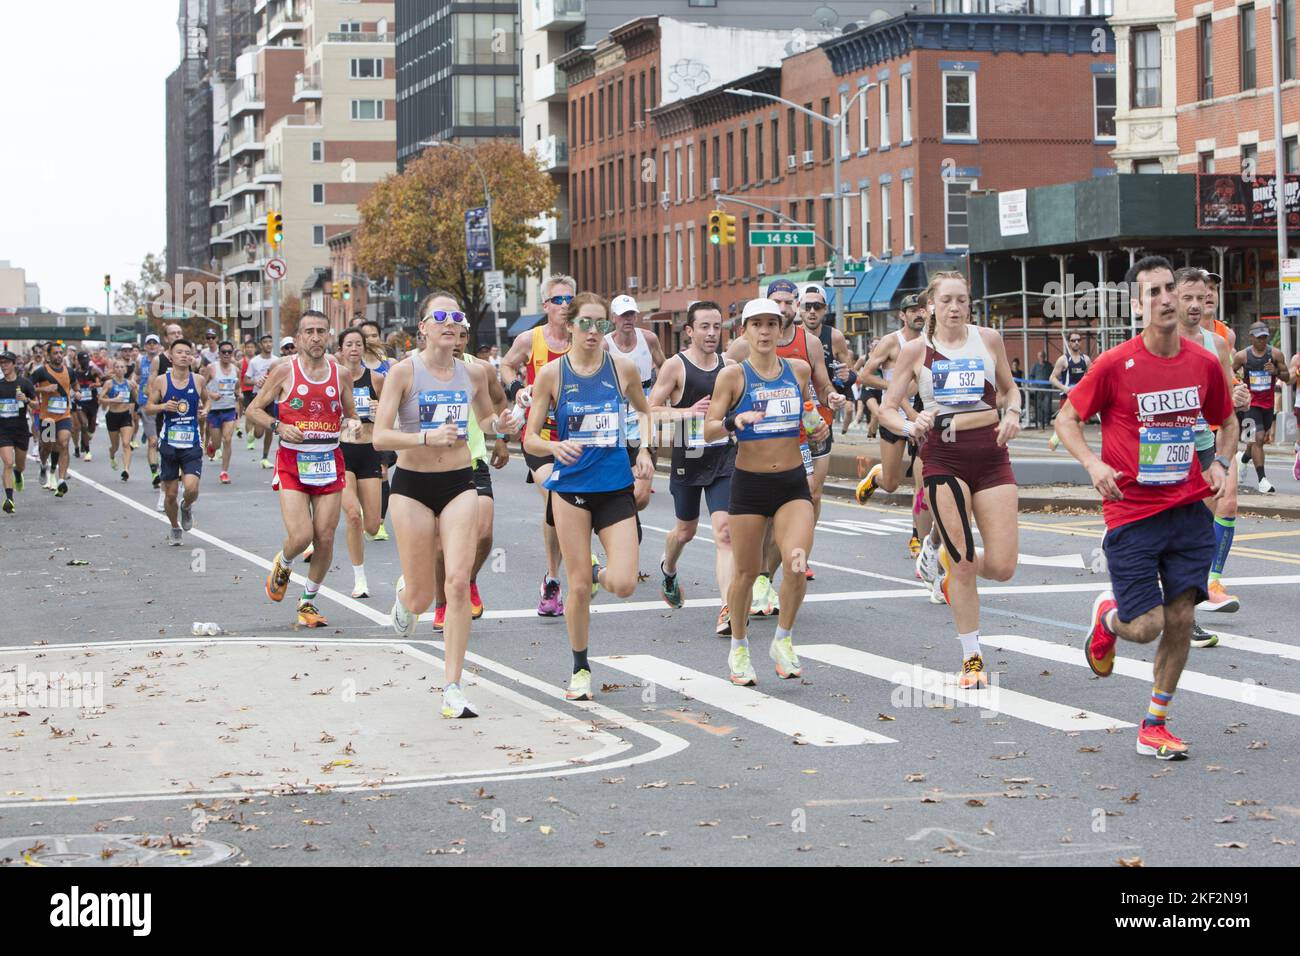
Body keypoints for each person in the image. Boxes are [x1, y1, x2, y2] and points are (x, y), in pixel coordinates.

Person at [1057, 256, 1235, 761]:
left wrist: (1220, 462)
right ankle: (1110, 618)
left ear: (1179, 299)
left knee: (1181, 617)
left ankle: (1154, 722)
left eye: (1168, 291)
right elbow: (1068, 419)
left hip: (1187, 510)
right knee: (1146, 626)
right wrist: (1093, 465)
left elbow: (1227, 421)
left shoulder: (1203, 364)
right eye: (1152, 293)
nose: (1163, 300)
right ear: (1138, 305)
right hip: (1131, 512)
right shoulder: (1115, 364)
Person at [373, 293, 520, 718]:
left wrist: (502, 426)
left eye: (457, 317)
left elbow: (489, 419)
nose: (450, 323)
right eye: (440, 317)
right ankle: (406, 597)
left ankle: (452, 687)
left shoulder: (474, 373)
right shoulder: (404, 373)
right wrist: (424, 437)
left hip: (460, 482)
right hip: (412, 486)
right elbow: (381, 436)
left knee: (456, 583)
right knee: (421, 597)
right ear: (423, 326)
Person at [877, 271, 1022, 688]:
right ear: (931, 307)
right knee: (963, 562)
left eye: (962, 300)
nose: (955, 308)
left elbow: (1011, 391)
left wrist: (1012, 413)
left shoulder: (989, 339)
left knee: (1002, 566)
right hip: (942, 458)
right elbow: (887, 408)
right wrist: (910, 424)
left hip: (992, 457)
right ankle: (971, 657)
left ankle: (944, 565)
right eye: (947, 301)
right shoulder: (917, 350)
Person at [523, 292, 650, 702]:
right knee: (576, 589)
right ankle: (580, 667)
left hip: (614, 487)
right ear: (570, 324)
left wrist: (644, 450)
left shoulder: (623, 369)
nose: (594, 332)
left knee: (625, 582)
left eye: (602, 324)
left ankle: (595, 574)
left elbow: (644, 413)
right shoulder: (553, 375)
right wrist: (553, 448)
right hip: (571, 490)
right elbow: (529, 437)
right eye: (586, 323)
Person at [705, 297, 827, 686]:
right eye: (755, 324)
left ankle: (783, 640)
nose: (763, 331)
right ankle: (739, 648)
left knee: (795, 561)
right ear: (744, 331)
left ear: (780, 329)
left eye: (770, 324)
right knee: (744, 573)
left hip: (791, 481)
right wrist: (732, 420)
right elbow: (707, 428)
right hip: (749, 483)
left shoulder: (798, 370)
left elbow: (807, 413)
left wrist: (815, 425)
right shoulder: (733, 377)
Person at [248, 312, 358, 628]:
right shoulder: (284, 372)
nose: (315, 337)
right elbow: (254, 410)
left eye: (321, 331)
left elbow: (350, 418)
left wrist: (353, 427)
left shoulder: (341, 376)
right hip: (292, 463)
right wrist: (279, 426)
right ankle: (283, 564)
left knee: (324, 537)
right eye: (309, 331)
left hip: (328, 462)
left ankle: (307, 602)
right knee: (301, 536)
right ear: (298, 338)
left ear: (329, 336)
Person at [1171, 267, 1250, 647]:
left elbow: (1224, 398)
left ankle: (1188, 616)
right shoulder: (1156, 339)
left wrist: (1237, 397)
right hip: (1162, 445)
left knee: (1200, 527)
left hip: (1202, 439)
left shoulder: (1217, 343)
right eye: (1187, 297)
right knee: (1163, 530)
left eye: (1201, 298)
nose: (1195, 305)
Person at [649, 300, 736, 634]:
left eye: (717, 327)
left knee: (725, 532)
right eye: (705, 327)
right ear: (689, 331)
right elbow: (650, 409)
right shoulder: (676, 366)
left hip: (723, 457)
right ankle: (669, 568)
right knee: (685, 531)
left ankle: (727, 609)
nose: (712, 333)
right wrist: (687, 412)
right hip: (689, 458)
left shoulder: (729, 365)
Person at [500, 273, 576, 617]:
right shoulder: (531, 339)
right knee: (556, 495)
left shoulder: (586, 340)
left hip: (577, 440)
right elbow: (506, 364)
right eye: (558, 300)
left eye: (569, 299)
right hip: (540, 438)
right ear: (545, 305)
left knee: (560, 509)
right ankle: (569, 568)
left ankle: (551, 579)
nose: (564, 306)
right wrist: (516, 386)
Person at [429, 323, 511, 628]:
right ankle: (441, 604)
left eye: (464, 336)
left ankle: (470, 580)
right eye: (452, 335)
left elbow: (500, 401)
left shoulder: (480, 371)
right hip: (435, 465)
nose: (458, 342)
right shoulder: (420, 368)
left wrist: (501, 438)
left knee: (484, 533)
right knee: (440, 547)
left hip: (473, 462)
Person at [854, 292, 938, 569]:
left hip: (922, 419)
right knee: (891, 484)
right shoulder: (892, 342)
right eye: (911, 310)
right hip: (894, 417)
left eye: (921, 309)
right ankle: (876, 476)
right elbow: (864, 375)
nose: (918, 314)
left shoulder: (932, 342)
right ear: (902, 315)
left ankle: (917, 537)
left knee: (922, 484)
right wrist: (896, 390)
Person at [603, 294, 665, 511]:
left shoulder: (648, 339)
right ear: (614, 318)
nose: (627, 319)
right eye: (622, 315)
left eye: (631, 314)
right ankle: (621, 524)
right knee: (619, 486)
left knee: (641, 497)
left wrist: (658, 394)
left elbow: (664, 367)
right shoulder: (605, 345)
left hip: (643, 417)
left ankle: (624, 516)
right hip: (616, 418)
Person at [336, 327, 385, 599]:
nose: (354, 348)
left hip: (369, 452)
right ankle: (360, 580)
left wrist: (380, 415)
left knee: (373, 526)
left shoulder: (376, 379)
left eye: (358, 344)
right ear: (341, 350)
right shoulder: (333, 380)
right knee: (353, 515)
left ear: (363, 349)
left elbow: (393, 419)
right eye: (349, 344)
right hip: (342, 451)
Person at [144, 338, 208, 545]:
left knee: (191, 488)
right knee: (170, 494)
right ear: (170, 357)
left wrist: (205, 410)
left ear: (192, 357)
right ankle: (174, 526)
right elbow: (149, 407)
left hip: (191, 443)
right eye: (179, 352)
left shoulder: (198, 380)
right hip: (169, 444)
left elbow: (206, 400)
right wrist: (163, 407)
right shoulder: (162, 380)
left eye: (187, 352)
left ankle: (187, 507)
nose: (184, 355)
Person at [1233, 322, 1291, 494]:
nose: (1262, 340)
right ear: (1251, 337)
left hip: (1267, 405)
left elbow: (1287, 377)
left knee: (1257, 440)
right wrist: (1237, 384)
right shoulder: (1242, 356)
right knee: (1257, 439)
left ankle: (1242, 459)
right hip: (1249, 405)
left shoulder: (1275, 354)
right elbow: (1228, 373)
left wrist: (1275, 372)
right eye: (1259, 338)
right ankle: (1262, 480)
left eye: (1265, 337)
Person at [30, 342, 75, 497]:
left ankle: (61, 480)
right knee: (47, 447)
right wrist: (44, 389)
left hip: (64, 415)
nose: (58, 356)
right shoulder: (41, 372)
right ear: (48, 356)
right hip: (47, 417)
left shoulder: (69, 371)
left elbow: (75, 386)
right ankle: (43, 465)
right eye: (55, 353)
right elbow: (27, 387)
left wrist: (78, 392)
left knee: (63, 443)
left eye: (60, 353)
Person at [202, 340, 242, 484]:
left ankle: (224, 472)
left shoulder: (236, 369)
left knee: (228, 439)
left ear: (232, 353)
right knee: (218, 444)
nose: (226, 354)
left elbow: (237, 387)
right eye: (223, 352)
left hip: (229, 409)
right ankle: (212, 445)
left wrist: (239, 394)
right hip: (214, 410)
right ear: (219, 353)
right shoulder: (211, 368)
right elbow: (202, 387)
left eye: (229, 352)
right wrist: (211, 395)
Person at [0, 351, 35, 513]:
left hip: (21, 430)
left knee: (19, 465)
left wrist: (26, 400)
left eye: (7, 362)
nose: (4, 365)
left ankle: (18, 473)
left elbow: (37, 405)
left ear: (14, 364)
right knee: (7, 462)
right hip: (3, 431)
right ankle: (9, 498)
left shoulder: (25, 383)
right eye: (2, 363)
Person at [1047, 333, 1091, 450]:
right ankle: (1056, 438)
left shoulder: (1086, 359)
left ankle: (1079, 448)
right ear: (1069, 342)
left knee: (1080, 423)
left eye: (1078, 340)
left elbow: (1092, 376)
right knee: (1066, 423)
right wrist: (1064, 388)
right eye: (1073, 340)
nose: (1076, 342)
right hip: (1067, 397)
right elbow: (1052, 378)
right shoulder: (1063, 360)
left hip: (1081, 397)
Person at [243, 334, 277, 467]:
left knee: (271, 427)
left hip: (272, 398)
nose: (268, 344)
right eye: (265, 342)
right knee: (259, 433)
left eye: (270, 341)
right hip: (258, 397)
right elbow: (246, 379)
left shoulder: (277, 360)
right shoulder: (255, 361)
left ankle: (265, 458)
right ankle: (253, 432)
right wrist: (256, 381)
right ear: (261, 345)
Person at [102, 358, 137, 482]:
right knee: (115, 446)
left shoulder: (129, 384)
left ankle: (126, 470)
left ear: (126, 369)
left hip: (125, 416)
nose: (120, 369)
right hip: (112, 416)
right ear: (114, 369)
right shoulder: (109, 384)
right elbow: (100, 399)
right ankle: (112, 454)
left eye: (122, 367)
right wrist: (112, 400)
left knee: (126, 444)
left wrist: (137, 390)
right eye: (117, 367)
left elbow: (136, 399)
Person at [71, 351, 103, 461]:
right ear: (79, 361)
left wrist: (95, 384)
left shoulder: (93, 370)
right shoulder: (74, 373)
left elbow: (102, 381)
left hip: (92, 402)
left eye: (87, 360)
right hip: (80, 402)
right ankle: (88, 451)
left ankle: (85, 438)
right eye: (83, 360)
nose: (85, 362)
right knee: (83, 425)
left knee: (92, 427)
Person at [1028, 349, 1053, 430]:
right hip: (1038, 390)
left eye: (1042, 356)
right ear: (1038, 357)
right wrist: (1033, 385)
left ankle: (1047, 421)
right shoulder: (1035, 366)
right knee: (1039, 406)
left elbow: (1053, 375)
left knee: (1047, 405)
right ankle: (1040, 421)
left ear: (1044, 356)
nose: (1041, 357)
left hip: (1047, 389)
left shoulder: (1049, 365)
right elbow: (1031, 376)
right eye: (1040, 356)